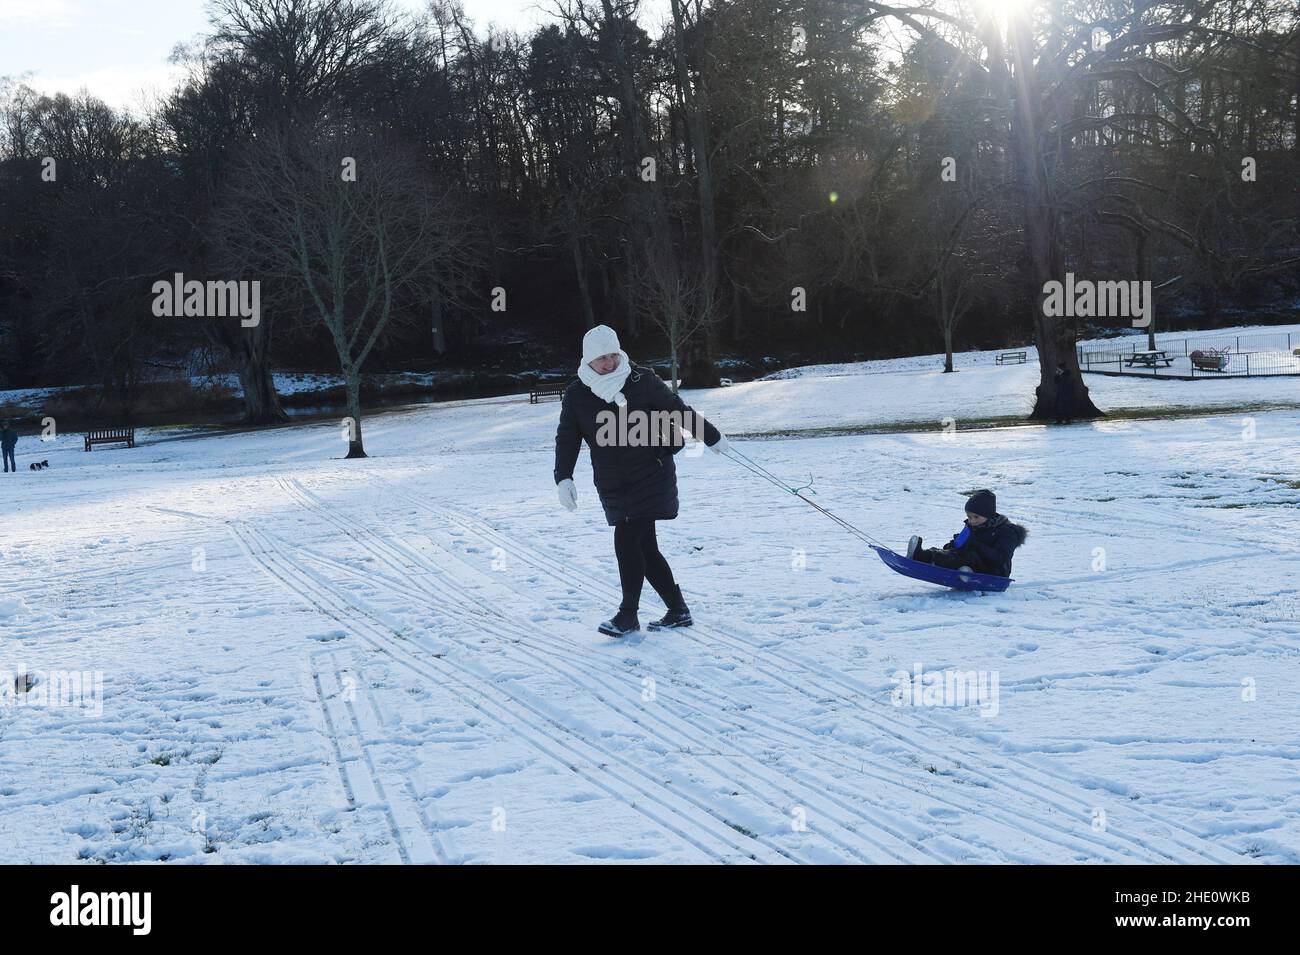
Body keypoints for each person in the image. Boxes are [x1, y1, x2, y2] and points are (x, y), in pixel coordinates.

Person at [554, 325, 730, 637]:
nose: (609, 362)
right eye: (602, 358)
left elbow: (679, 411)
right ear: (588, 361)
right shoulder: (577, 394)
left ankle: (628, 614)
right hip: (612, 481)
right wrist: (563, 477)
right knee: (645, 547)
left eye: (613, 355)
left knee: (627, 538)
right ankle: (678, 610)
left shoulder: (642, 381)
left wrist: (711, 436)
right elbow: (567, 438)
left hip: (652, 471)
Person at [905, 489, 1027, 578]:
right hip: (974, 564)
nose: (972, 521)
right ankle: (922, 556)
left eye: (976, 517)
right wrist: (954, 544)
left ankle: (966, 572)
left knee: (966, 557)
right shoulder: (973, 526)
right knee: (952, 553)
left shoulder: (1007, 532)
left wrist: (974, 544)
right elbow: (956, 549)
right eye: (969, 517)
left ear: (988, 515)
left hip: (995, 572)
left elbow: (1000, 559)